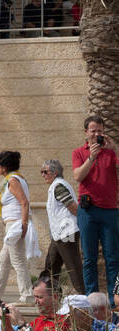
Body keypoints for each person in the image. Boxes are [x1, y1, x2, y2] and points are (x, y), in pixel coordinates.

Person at [73, 117, 119, 298]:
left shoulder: (111, 153)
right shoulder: (78, 152)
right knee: (89, 259)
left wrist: (114, 148)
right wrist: (91, 157)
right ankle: (91, 299)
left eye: (100, 130)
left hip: (110, 211)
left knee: (113, 258)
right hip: (88, 212)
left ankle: (114, 299)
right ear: (86, 133)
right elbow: (77, 176)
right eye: (93, 131)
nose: (97, 134)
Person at [0, 150, 38, 309]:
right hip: (13, 224)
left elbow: (24, 203)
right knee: (4, 260)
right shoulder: (12, 180)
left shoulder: (13, 180)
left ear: (4, 166)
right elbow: (6, 202)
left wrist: (23, 224)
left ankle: (28, 296)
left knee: (17, 260)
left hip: (15, 224)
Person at [41, 158, 84, 294]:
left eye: (45, 172)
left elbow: (73, 207)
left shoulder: (59, 186)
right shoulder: (55, 186)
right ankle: (49, 295)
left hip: (67, 233)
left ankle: (84, 297)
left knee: (73, 267)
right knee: (51, 266)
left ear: (55, 172)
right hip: (58, 234)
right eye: (41, 172)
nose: (43, 175)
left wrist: (82, 222)